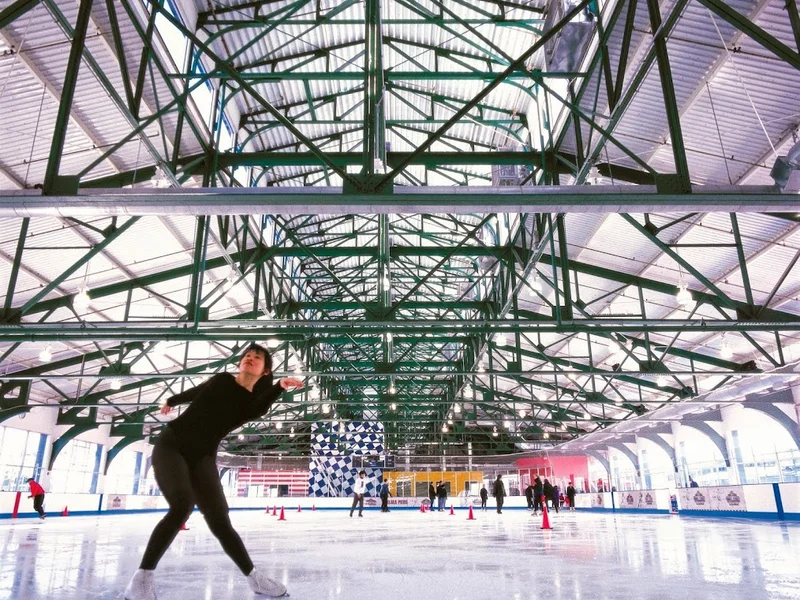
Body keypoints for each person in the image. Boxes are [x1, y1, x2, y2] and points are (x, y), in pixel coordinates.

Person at [124, 344, 303, 600]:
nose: (250, 358)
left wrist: (280, 386)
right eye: (247, 355)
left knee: (220, 519)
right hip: (172, 444)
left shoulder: (252, 404)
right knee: (182, 505)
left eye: (257, 358)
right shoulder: (221, 379)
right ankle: (141, 578)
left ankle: (255, 579)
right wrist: (172, 400)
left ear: (265, 371)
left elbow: (261, 405)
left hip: (203, 457)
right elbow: (198, 391)